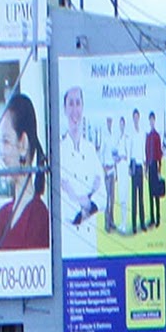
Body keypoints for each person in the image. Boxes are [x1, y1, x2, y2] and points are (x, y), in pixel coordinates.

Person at [0, 92, 50, 252]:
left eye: (6, 141)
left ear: (23, 144)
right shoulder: (3, 216)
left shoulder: (40, 216)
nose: (2, 154)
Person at [58, 86, 105, 252]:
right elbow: (65, 208)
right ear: (64, 109)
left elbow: (103, 197)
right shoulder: (59, 152)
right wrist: (90, 195)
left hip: (91, 243)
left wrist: (78, 198)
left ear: (82, 107)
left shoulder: (91, 150)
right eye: (71, 104)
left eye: (78, 103)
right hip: (70, 244)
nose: (74, 109)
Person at [144, 111, 164, 229]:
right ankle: (151, 218)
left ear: (154, 121)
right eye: (150, 120)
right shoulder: (148, 136)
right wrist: (146, 168)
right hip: (150, 166)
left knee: (156, 193)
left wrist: (159, 168)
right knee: (151, 193)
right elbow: (147, 153)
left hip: (156, 165)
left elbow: (159, 153)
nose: (151, 122)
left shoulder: (156, 136)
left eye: (153, 120)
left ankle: (158, 218)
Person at [128, 107, 145, 236]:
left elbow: (143, 150)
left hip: (141, 166)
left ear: (139, 118)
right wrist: (129, 166)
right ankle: (134, 225)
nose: (136, 119)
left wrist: (145, 166)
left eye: (137, 117)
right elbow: (129, 151)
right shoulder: (131, 133)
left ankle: (142, 223)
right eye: (134, 117)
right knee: (134, 197)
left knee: (141, 197)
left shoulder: (141, 132)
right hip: (134, 165)